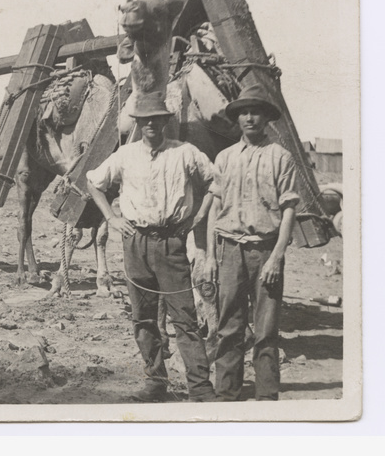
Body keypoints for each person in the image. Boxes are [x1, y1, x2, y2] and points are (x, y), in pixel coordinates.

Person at [86, 91, 217, 403]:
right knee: (143, 317)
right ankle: (155, 383)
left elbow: (215, 182)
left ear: (165, 121)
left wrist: (198, 216)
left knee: (184, 317)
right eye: (145, 120)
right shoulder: (125, 155)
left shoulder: (185, 152)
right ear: (138, 123)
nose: (151, 125)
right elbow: (94, 182)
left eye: (157, 119)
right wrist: (112, 218)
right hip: (136, 243)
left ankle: (200, 388)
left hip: (172, 242)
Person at [199, 84, 299, 401]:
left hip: (265, 249)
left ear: (267, 117)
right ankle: (227, 391)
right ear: (237, 118)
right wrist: (211, 257)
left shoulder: (281, 157)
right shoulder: (225, 158)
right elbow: (215, 208)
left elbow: (289, 210)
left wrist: (276, 257)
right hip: (229, 250)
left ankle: (267, 394)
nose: (249, 117)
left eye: (256, 111)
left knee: (266, 329)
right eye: (243, 112)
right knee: (229, 324)